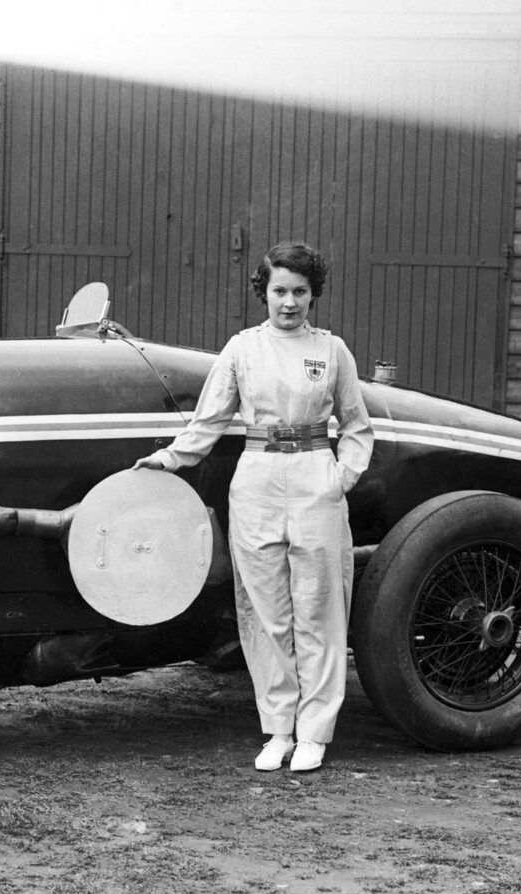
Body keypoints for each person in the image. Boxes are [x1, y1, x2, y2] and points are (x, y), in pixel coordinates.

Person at [133, 241, 373, 773]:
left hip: (315, 476)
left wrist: (341, 478)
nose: (289, 303)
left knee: (318, 607)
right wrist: (170, 459)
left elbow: (356, 426)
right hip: (257, 479)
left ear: (314, 295)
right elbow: (209, 420)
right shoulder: (241, 349)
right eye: (279, 291)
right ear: (263, 292)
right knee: (264, 611)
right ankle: (278, 729)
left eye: (300, 292)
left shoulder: (332, 352)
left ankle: (315, 732)